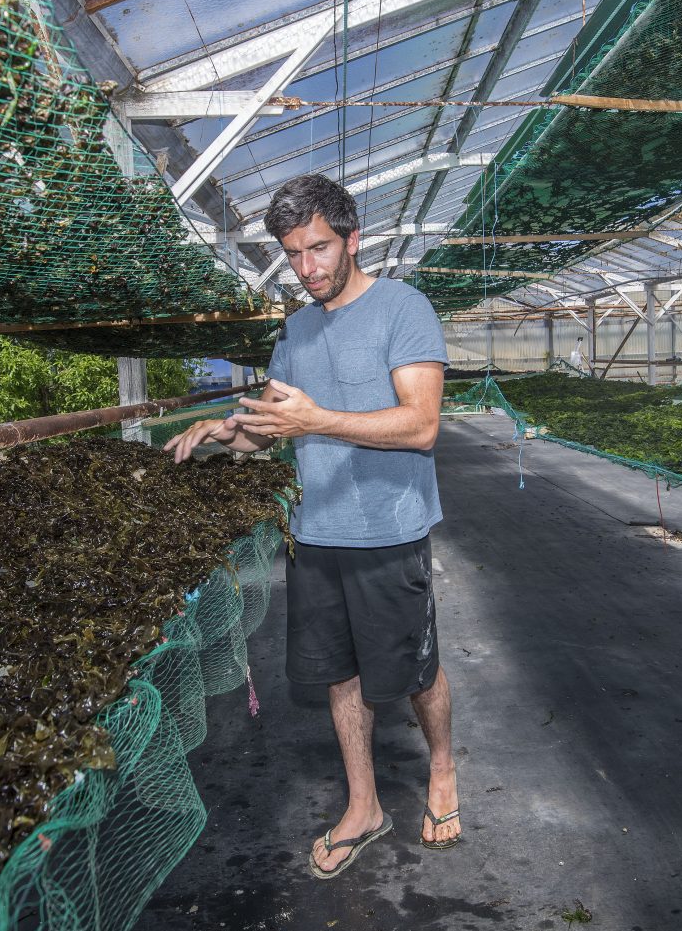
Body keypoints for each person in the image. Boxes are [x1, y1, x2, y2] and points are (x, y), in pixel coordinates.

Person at [164, 174, 460, 879]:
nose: (306, 268)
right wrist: (225, 432)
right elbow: (270, 425)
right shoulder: (296, 330)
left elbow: (421, 425)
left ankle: (444, 767)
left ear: (353, 239)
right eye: (294, 254)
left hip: (388, 532)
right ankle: (364, 805)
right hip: (315, 531)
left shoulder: (403, 309)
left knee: (415, 669)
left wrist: (317, 419)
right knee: (338, 675)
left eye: (319, 248)